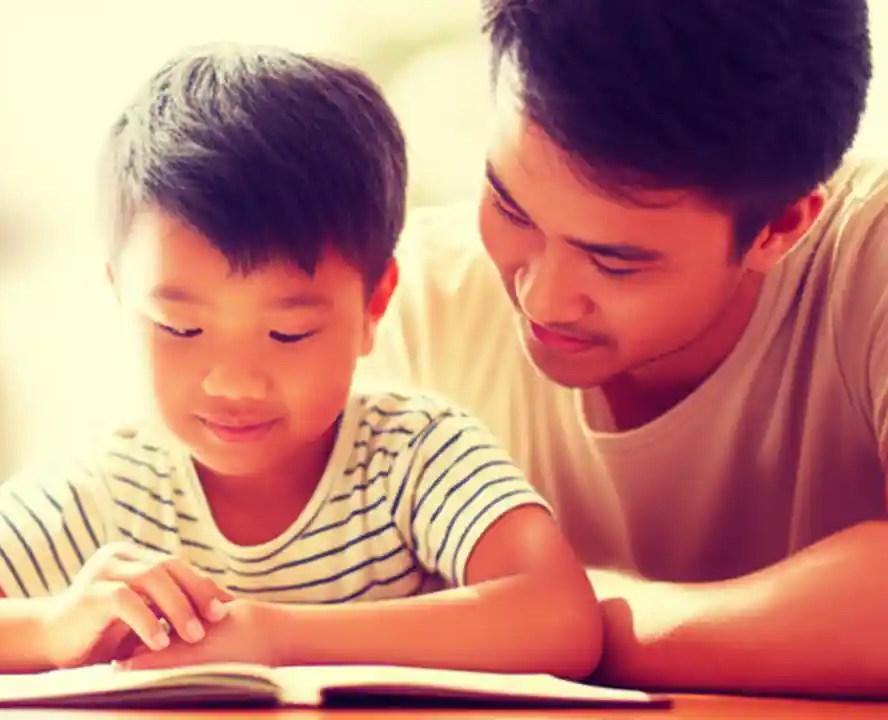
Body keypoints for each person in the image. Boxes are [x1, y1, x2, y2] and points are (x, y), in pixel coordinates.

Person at [0, 44, 602, 695]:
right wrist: (53, 624)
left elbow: (561, 619)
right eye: (180, 328)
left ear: (377, 305)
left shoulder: (414, 454)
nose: (233, 382)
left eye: (290, 336)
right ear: (120, 295)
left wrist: (276, 635)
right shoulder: (115, 484)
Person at [359, 0, 886, 698]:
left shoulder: (866, 258)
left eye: (615, 262)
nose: (542, 299)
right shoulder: (407, 307)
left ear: (779, 227)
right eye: (509, 207)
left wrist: (555, 625)